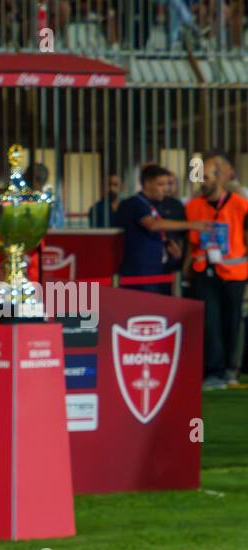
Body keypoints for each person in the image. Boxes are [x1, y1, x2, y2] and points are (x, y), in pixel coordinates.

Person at [186, 151, 248, 388]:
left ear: (220, 176)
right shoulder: (192, 207)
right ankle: (214, 372)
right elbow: (188, 243)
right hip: (203, 272)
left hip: (235, 273)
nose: (202, 181)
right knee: (210, 323)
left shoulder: (241, 205)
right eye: (199, 177)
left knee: (232, 322)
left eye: (207, 176)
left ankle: (231, 370)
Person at [116, 164, 211, 295]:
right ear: (147, 184)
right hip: (139, 272)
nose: (165, 189)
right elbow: (153, 225)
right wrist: (192, 224)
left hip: (156, 270)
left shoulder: (151, 205)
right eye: (160, 184)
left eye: (167, 184)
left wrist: (166, 243)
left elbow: (153, 230)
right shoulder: (134, 204)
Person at [157, 169, 190, 279]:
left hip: (174, 260)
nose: (167, 188)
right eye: (163, 184)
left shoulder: (178, 206)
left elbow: (185, 235)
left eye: (171, 184)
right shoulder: (152, 203)